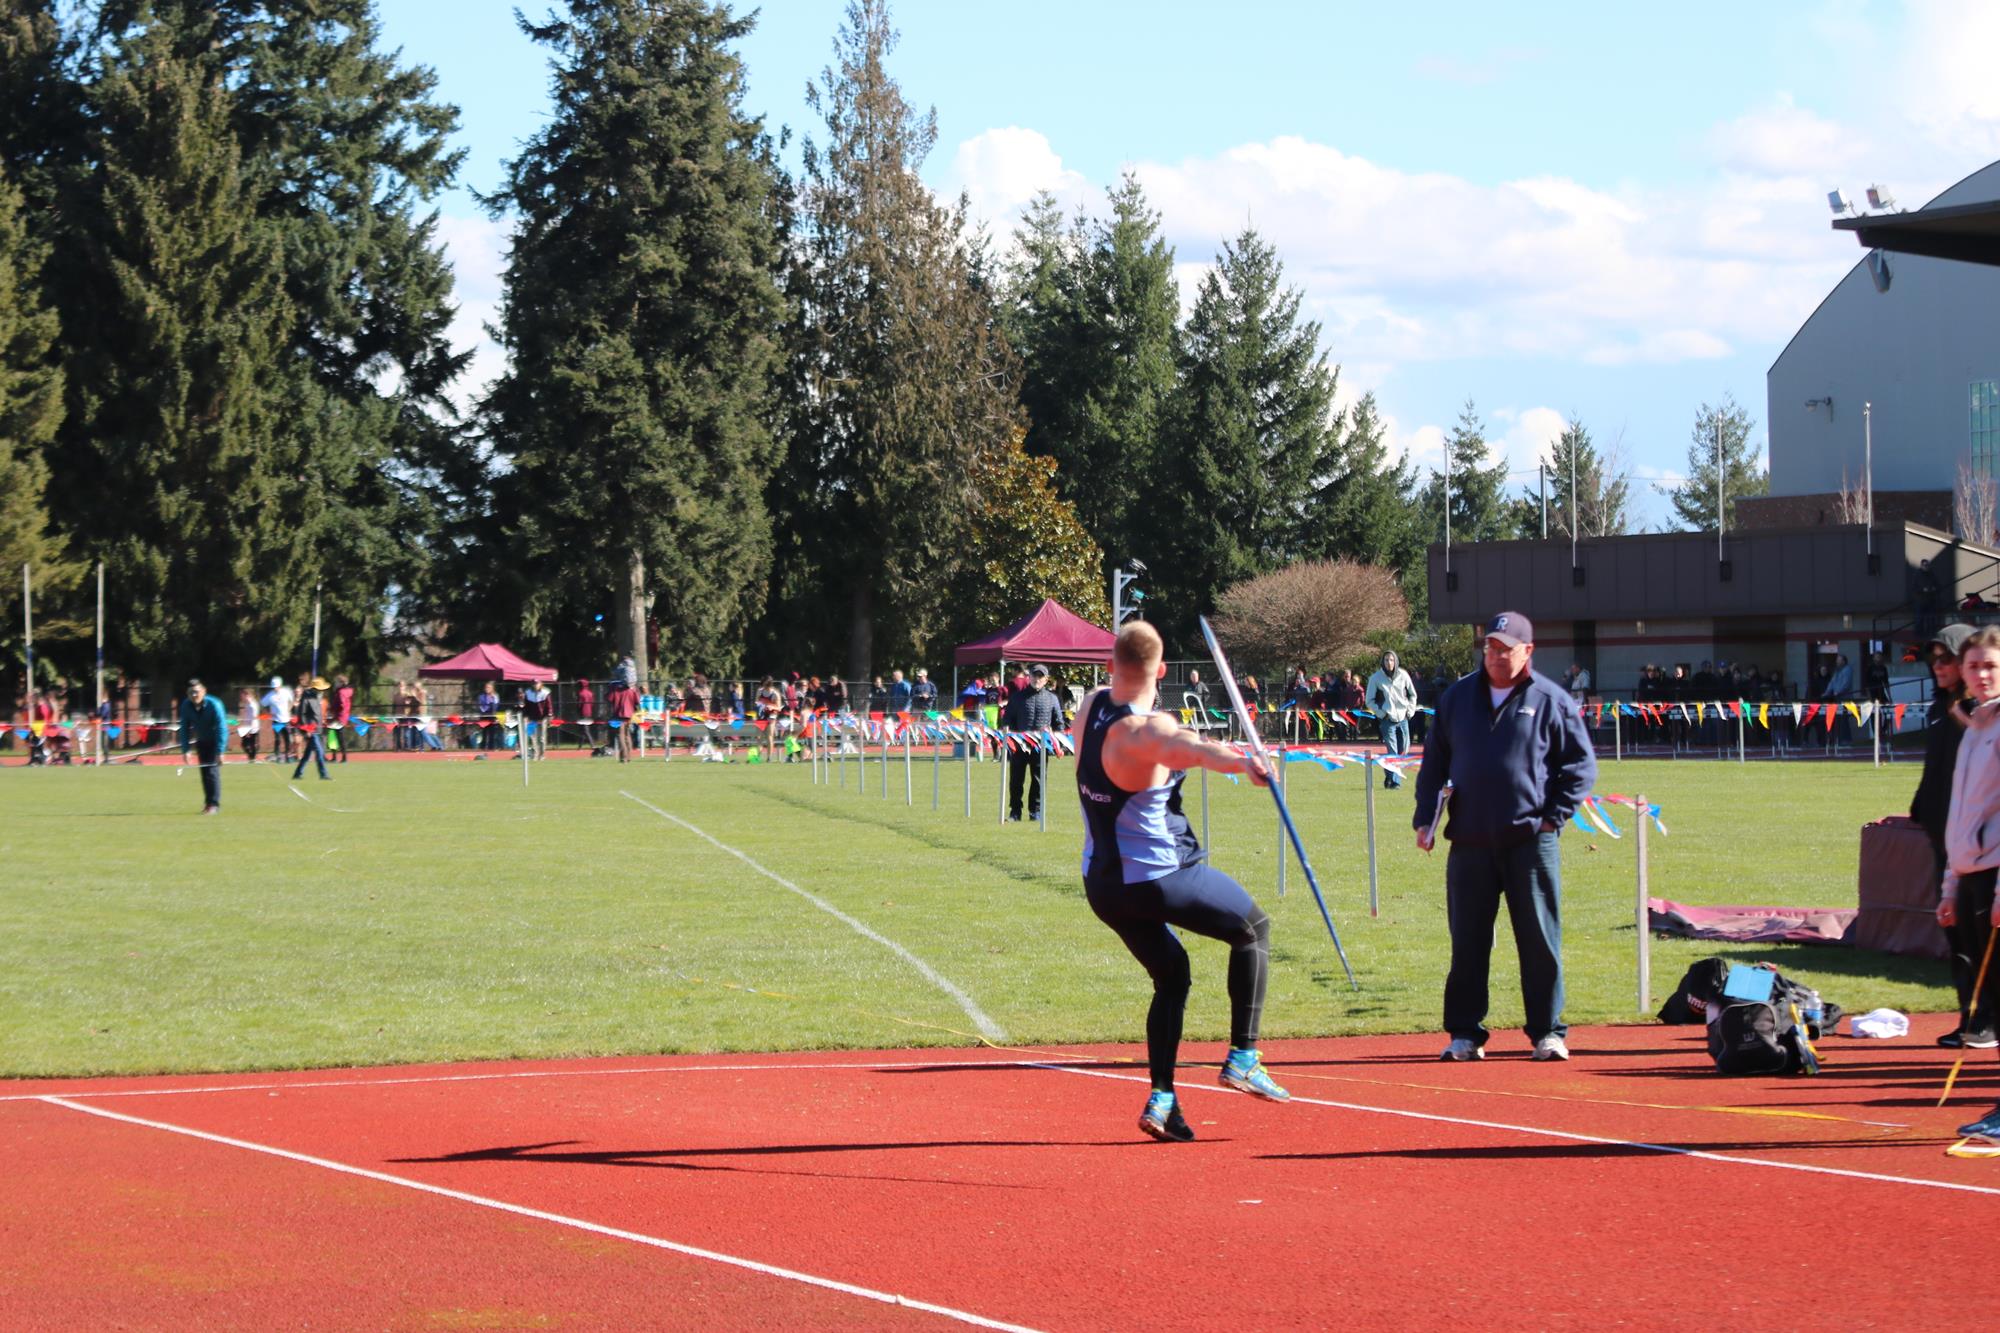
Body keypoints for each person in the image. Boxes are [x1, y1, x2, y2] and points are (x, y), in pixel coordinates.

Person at [1074, 621, 1288, 1143]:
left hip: (1103, 886)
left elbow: (1183, 742)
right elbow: (1188, 750)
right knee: (1253, 927)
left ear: (1109, 665)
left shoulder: (1091, 706)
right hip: (1159, 877)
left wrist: (1222, 750)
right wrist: (1244, 762)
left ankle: (1163, 1098)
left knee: (1172, 976)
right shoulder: (1145, 732)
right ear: (1163, 670)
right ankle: (1242, 1056)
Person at [1413, 611, 1597, 1062]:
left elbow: (1580, 766)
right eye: (1490, 647)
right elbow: (1434, 762)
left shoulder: (1551, 700)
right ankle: (1464, 1033)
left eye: (1505, 648)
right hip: (1470, 842)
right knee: (1468, 942)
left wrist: (1553, 817)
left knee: (1539, 940)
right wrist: (1425, 818)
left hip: (1530, 842)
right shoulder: (1457, 698)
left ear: (1527, 651)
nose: (1495, 656)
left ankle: (1547, 1032)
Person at [1914, 625, 1993, 1050]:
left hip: (1979, 848)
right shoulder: (1945, 710)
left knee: (1977, 939)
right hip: (1948, 841)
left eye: (1947, 659)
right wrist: (1920, 808)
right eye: (1936, 660)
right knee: (1956, 933)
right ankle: (1972, 1015)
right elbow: (1943, 777)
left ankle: (1983, 1019)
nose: (1939, 667)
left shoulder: (1978, 719)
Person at [1938, 625, 2000, 1142]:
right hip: (1973, 873)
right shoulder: (1975, 726)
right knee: (1995, 997)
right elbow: (1962, 814)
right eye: (1974, 666)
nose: (1980, 675)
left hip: (1997, 874)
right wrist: (1949, 886)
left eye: (1990, 666)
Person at [1005, 664, 1064, 821]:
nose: (1037, 679)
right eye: (1034, 675)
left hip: (1041, 747)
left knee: (1038, 780)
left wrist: (1056, 739)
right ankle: (1015, 812)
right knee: (1016, 780)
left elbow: (1059, 724)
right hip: (1019, 746)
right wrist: (1012, 737)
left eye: (1040, 676)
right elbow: (1007, 720)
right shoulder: (1017, 698)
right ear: (1028, 677)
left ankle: (1035, 811)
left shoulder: (1052, 699)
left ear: (1046, 679)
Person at [1367, 649, 1418, 789]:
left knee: (1403, 751)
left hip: (1403, 718)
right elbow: (1369, 700)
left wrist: (1410, 710)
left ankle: (1389, 776)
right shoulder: (1375, 678)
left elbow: (1413, 695)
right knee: (1392, 751)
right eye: (1386, 660)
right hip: (1387, 720)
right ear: (1382, 662)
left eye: (1391, 660)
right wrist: (1381, 713)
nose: (1389, 662)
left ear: (1395, 661)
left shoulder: (1403, 675)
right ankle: (1396, 782)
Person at [178, 678, 228, 814]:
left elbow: (221, 728)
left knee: (212, 772)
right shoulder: (186, 706)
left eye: (197, 692)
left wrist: (220, 751)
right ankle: (208, 803)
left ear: (204, 691)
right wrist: (186, 750)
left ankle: (214, 804)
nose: (194, 695)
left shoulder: (215, 705)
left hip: (215, 741)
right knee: (204, 773)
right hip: (201, 741)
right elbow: (184, 728)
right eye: (191, 693)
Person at [291, 677, 332, 780]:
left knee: (307, 754)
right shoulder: (306, 698)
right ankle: (324, 774)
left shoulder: (318, 698)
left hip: (318, 729)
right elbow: (302, 714)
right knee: (319, 752)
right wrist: (307, 729)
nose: (322, 690)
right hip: (311, 729)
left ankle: (298, 773)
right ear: (315, 688)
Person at [606, 673, 639, 762]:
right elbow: (637, 702)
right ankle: (629, 757)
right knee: (627, 735)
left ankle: (623, 757)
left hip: (618, 715)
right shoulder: (632, 691)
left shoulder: (616, 690)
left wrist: (611, 688)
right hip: (629, 716)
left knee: (620, 735)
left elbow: (609, 699)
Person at [263, 675, 295, 762]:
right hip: (276, 721)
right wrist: (269, 713)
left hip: (286, 720)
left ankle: (288, 756)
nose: (275, 689)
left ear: (280, 685)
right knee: (277, 739)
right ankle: (277, 756)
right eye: (273, 687)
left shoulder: (286, 692)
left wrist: (289, 709)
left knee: (287, 738)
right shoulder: (270, 695)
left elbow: (292, 701)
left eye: (276, 687)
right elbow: (263, 704)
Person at [521, 678, 552, 758]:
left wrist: (549, 715)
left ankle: (542, 755)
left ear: (541, 684)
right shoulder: (528, 693)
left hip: (542, 718)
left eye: (537, 684)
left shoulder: (545, 693)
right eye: (534, 684)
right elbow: (526, 706)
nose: (535, 685)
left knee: (542, 737)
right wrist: (525, 716)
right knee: (532, 737)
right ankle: (535, 754)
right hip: (531, 718)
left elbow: (549, 705)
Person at [331, 675, 355, 762]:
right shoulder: (347, 691)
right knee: (339, 737)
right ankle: (341, 757)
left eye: (337, 682)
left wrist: (335, 709)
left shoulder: (341, 692)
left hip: (339, 717)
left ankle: (339, 757)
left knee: (335, 736)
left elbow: (342, 704)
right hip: (343, 717)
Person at [237, 686, 261, 764]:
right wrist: (242, 725)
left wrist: (249, 730)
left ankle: (252, 758)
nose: (241, 697)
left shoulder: (253, 705)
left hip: (253, 728)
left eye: (243, 695)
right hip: (247, 727)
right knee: (244, 744)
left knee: (251, 744)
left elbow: (254, 718)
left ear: (247, 695)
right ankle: (251, 757)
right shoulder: (247, 704)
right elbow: (246, 716)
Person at [476, 680, 502, 751]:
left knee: (492, 733)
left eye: (489, 687)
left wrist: (493, 699)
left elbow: (497, 706)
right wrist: (484, 711)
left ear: (492, 688)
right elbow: (480, 706)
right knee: (484, 733)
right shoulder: (481, 697)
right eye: (486, 687)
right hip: (484, 716)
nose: (487, 689)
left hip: (492, 717)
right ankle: (483, 747)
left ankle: (491, 748)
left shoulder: (496, 696)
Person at [575, 678, 596, 749]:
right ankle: (580, 746)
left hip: (582, 712)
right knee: (583, 729)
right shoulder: (590, 693)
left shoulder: (580, 693)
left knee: (585, 730)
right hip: (589, 713)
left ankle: (592, 745)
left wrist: (577, 710)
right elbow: (592, 703)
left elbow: (579, 704)